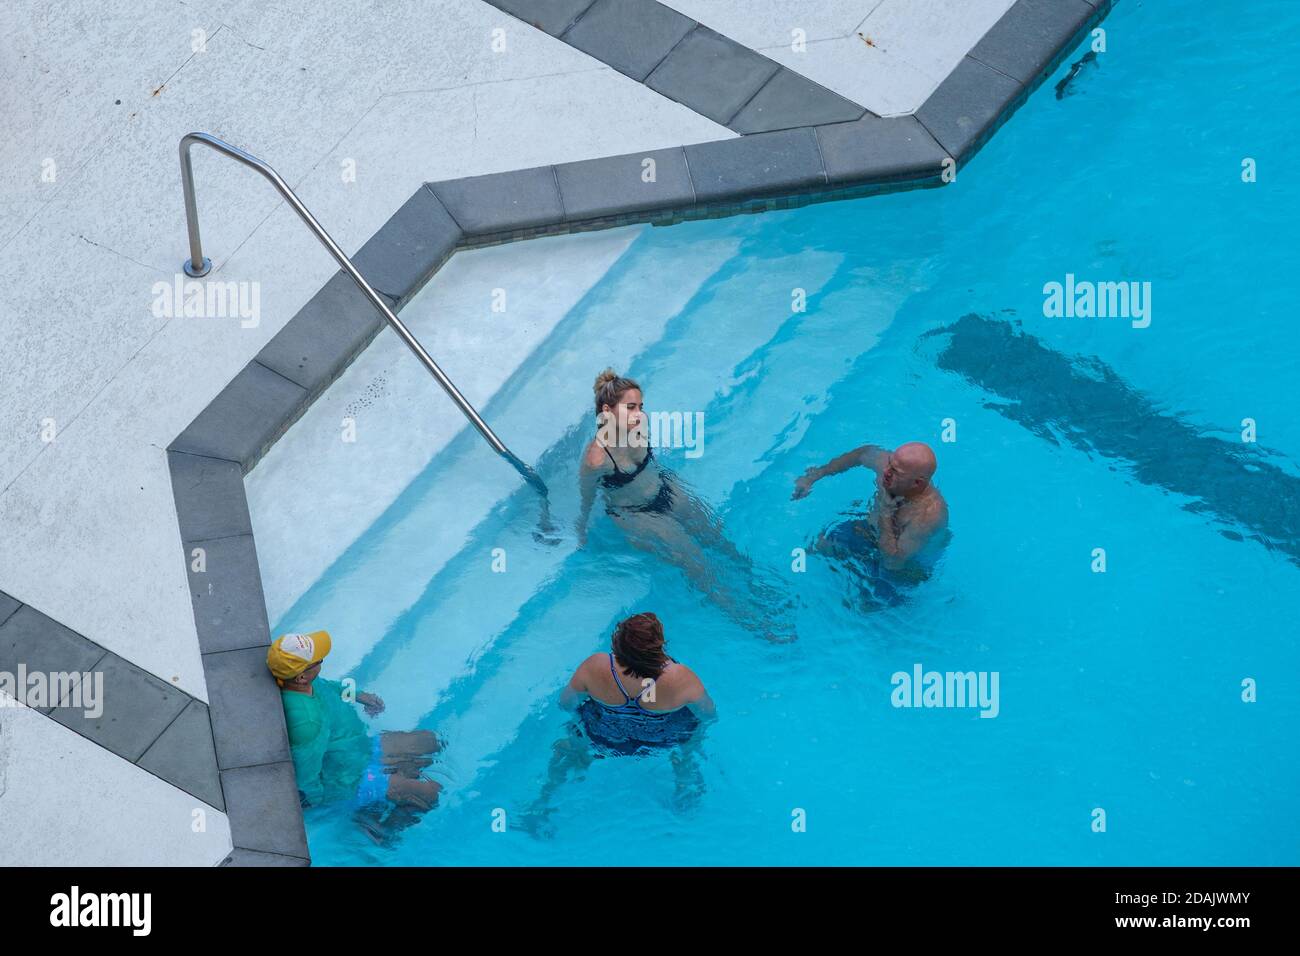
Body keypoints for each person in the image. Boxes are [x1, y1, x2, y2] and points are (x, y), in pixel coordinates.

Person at [577, 368, 794, 641]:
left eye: (641, 407)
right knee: (698, 567)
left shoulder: (638, 427)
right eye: (630, 408)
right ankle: (752, 621)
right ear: (607, 411)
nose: (639, 414)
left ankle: (756, 586)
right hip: (637, 514)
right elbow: (587, 497)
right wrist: (582, 529)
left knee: (719, 541)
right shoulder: (596, 459)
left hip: (667, 490)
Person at [523, 613, 714, 836]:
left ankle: (543, 801)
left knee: (571, 743)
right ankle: (684, 784)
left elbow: (566, 704)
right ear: (660, 645)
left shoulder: (595, 666)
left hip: (605, 735)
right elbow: (708, 714)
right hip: (660, 739)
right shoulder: (680, 677)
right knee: (690, 736)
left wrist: (580, 726)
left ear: (618, 644)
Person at [267, 631, 442, 846]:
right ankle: (380, 830)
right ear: (301, 676)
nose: (322, 660)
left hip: (356, 749)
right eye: (319, 660)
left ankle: (382, 795)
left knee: (430, 741)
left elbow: (327, 686)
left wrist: (358, 695)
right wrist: (323, 800)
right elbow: (306, 777)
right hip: (348, 780)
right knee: (430, 794)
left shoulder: (301, 682)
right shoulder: (307, 724)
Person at [794, 440, 949, 584]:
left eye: (895, 472)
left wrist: (885, 513)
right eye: (889, 463)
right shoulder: (889, 467)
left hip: (906, 568)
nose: (886, 471)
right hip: (871, 534)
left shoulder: (928, 515)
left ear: (917, 483)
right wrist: (814, 476)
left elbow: (893, 563)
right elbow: (862, 453)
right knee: (821, 545)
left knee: (866, 599)